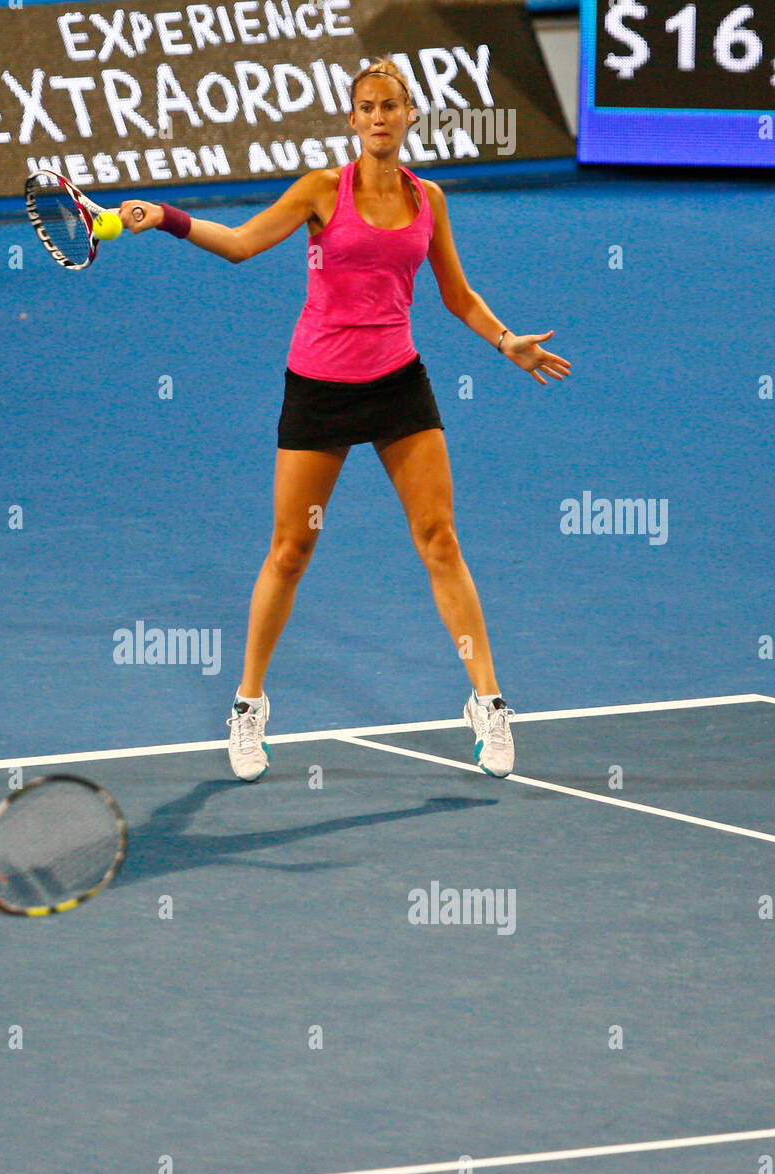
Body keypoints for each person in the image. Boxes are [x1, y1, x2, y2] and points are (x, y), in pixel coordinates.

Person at [117, 58, 570, 782]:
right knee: (291, 550)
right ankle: (248, 705)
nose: (380, 116)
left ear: (410, 115)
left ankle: (488, 702)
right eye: (368, 106)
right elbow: (241, 245)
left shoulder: (431, 200)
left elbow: (455, 294)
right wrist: (167, 218)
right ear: (353, 119)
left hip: (398, 384)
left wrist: (504, 338)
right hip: (319, 391)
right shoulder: (323, 190)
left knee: (440, 537)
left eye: (392, 105)